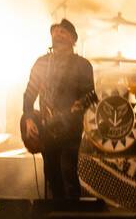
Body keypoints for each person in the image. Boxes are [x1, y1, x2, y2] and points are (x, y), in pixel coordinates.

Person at [22, 19, 95, 200]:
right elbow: (29, 94)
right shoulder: (41, 63)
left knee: (68, 171)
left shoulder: (82, 65)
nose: (58, 34)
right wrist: (29, 119)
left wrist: (74, 110)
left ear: (73, 39)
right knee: (52, 174)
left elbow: (90, 96)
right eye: (55, 31)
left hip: (69, 128)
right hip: (46, 128)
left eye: (63, 32)